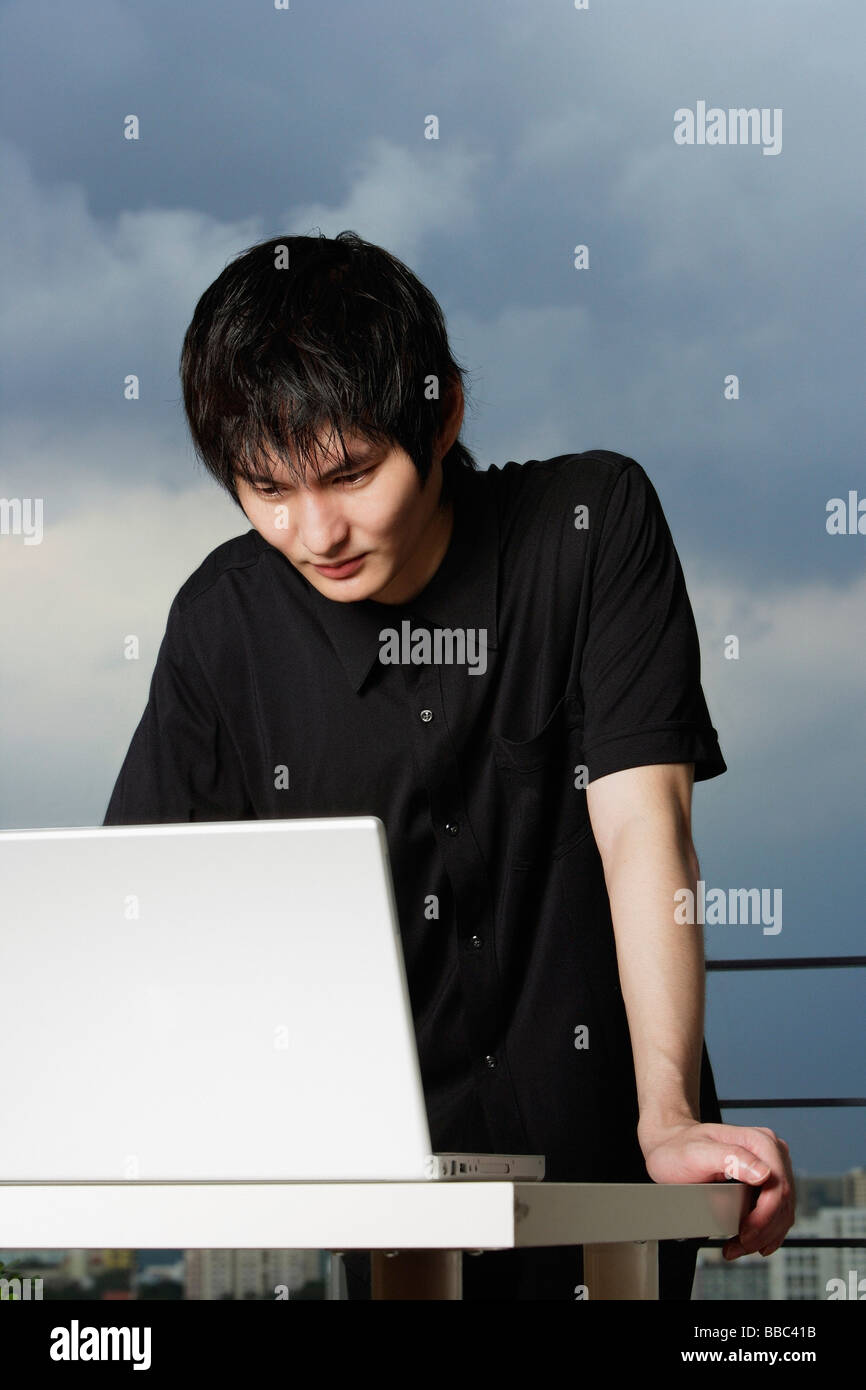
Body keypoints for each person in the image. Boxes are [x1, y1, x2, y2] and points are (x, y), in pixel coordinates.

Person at [103, 230, 795, 1300]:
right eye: (265, 487)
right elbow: (147, 911)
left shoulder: (588, 525)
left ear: (442, 415)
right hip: (379, 1191)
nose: (314, 529)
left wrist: (666, 1112)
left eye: (349, 473)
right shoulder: (222, 623)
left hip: (606, 1165)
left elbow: (640, 826)